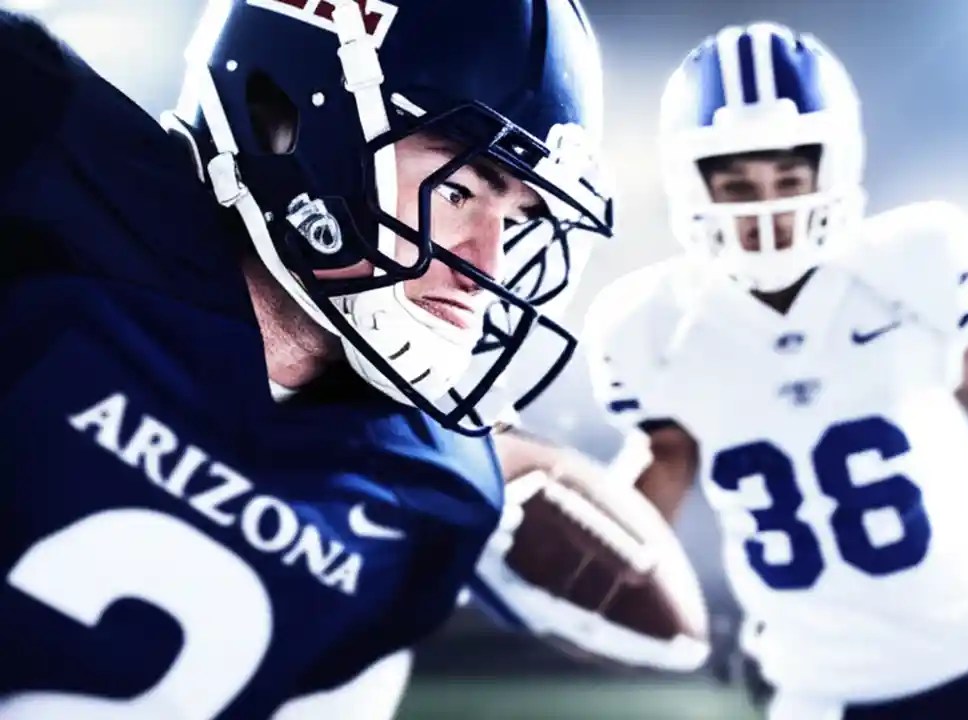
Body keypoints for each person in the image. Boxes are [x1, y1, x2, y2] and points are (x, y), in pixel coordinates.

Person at [0, 1, 610, 718]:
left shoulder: (435, 493)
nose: (486, 265)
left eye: (517, 218)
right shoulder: (36, 147)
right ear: (285, 117)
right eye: (458, 190)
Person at [583, 22, 968, 720]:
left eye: (790, 177)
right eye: (737, 183)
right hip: (812, 694)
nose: (769, 210)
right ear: (689, 182)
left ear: (835, 165)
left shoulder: (916, 267)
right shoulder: (658, 327)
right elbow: (635, 525)